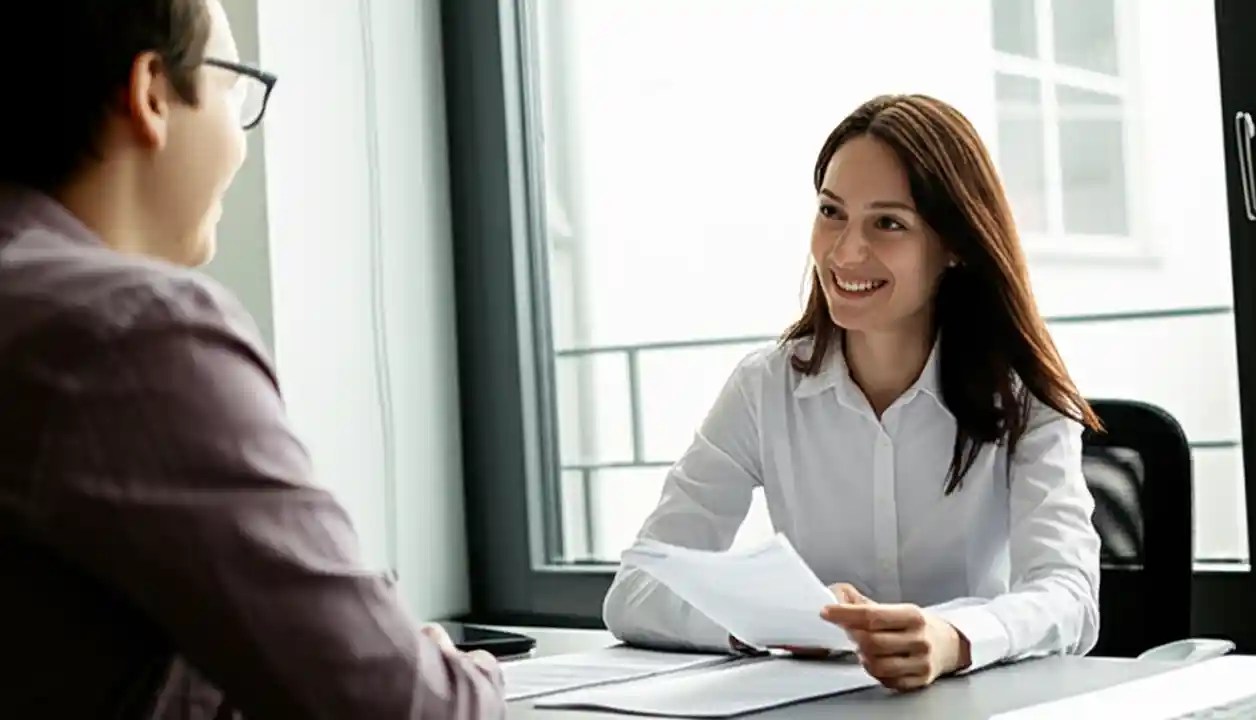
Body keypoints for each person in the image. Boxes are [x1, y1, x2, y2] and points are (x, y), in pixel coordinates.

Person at [0, 1, 503, 717]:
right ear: (150, 94)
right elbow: (396, 706)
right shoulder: (131, 329)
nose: (241, 140)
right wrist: (465, 674)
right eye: (235, 85)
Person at [602, 94, 1103, 692]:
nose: (845, 251)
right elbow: (636, 589)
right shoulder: (765, 388)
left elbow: (1069, 598)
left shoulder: (1025, 398)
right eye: (831, 212)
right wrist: (773, 622)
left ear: (955, 245)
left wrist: (952, 638)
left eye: (888, 223)